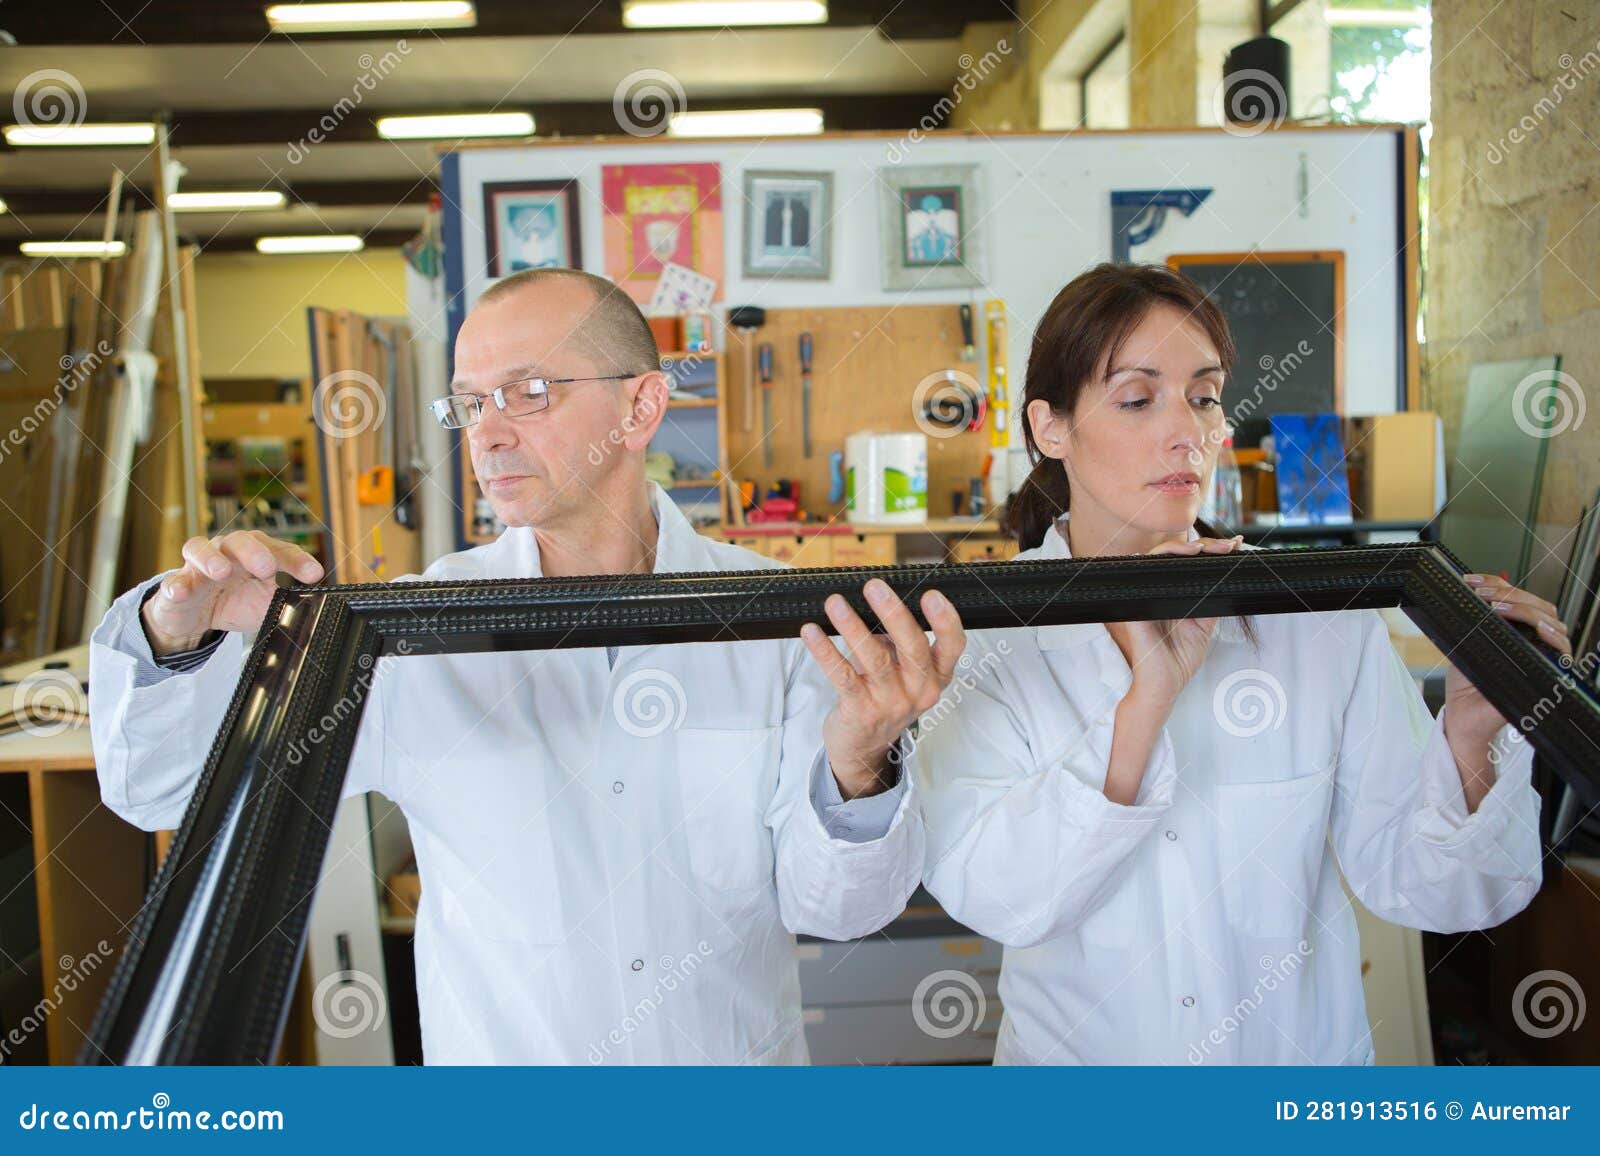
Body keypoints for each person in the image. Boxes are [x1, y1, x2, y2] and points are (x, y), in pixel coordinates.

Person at [89, 268, 966, 1064]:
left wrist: (861, 759)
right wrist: (178, 635)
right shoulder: (411, 633)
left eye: (529, 392)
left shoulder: (776, 620)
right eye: (470, 403)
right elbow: (167, 794)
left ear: (642, 408)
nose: (489, 434)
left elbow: (839, 910)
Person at [914, 263, 1555, 1065]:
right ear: (1050, 428)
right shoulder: (989, 639)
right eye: (1138, 398)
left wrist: (1470, 737)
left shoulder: (1313, 623)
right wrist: (1144, 707)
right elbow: (999, 899)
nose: (1188, 431)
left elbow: (1443, 892)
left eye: (1206, 395)